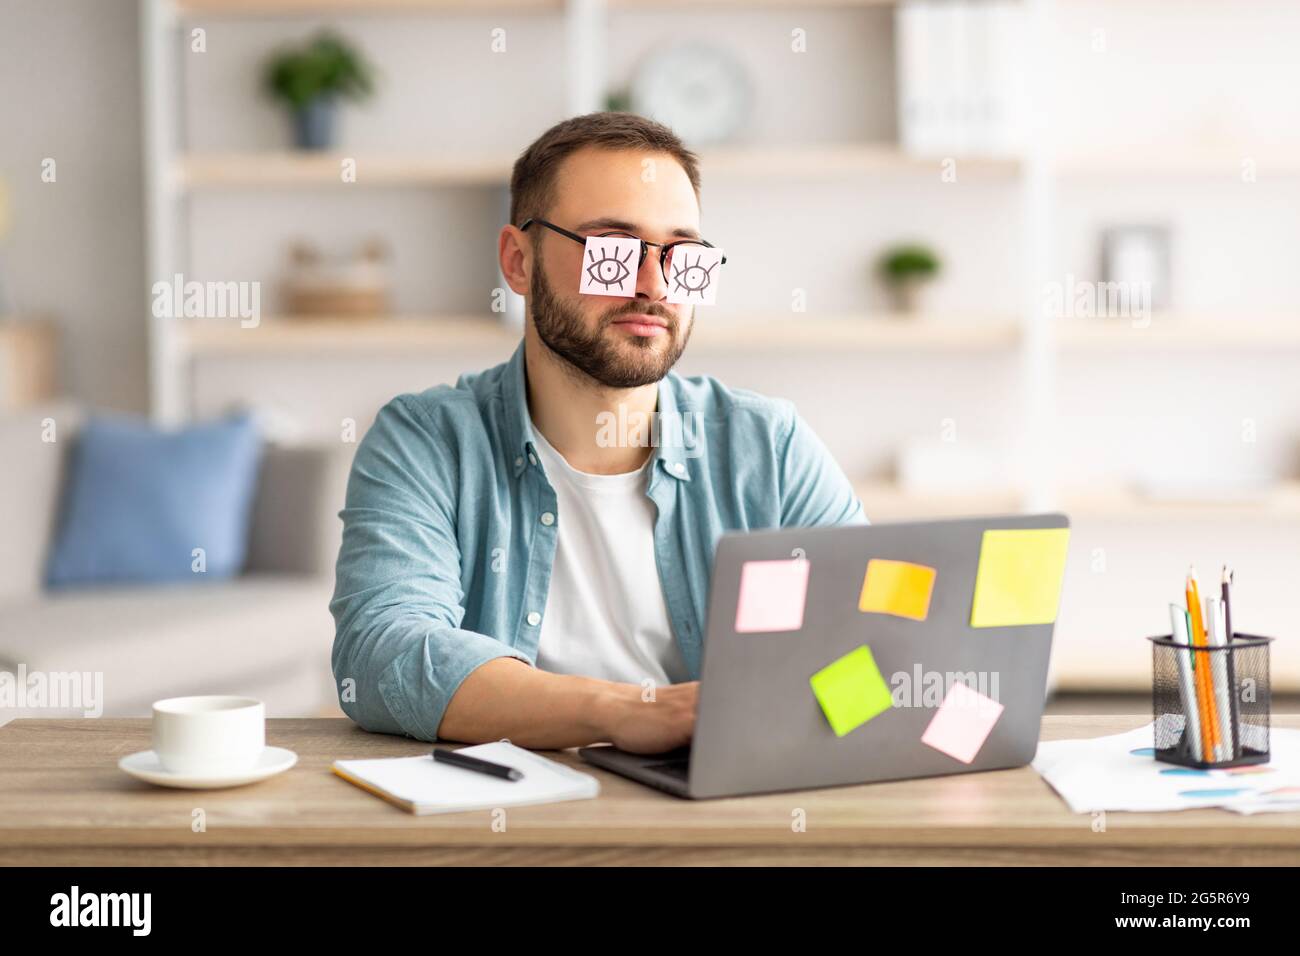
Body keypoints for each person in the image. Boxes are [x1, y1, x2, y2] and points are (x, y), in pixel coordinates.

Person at [331, 112, 865, 753]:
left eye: (681, 255)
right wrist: (626, 712)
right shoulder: (425, 442)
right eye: (612, 250)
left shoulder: (766, 447)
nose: (654, 285)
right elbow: (383, 655)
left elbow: (866, 646)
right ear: (518, 260)